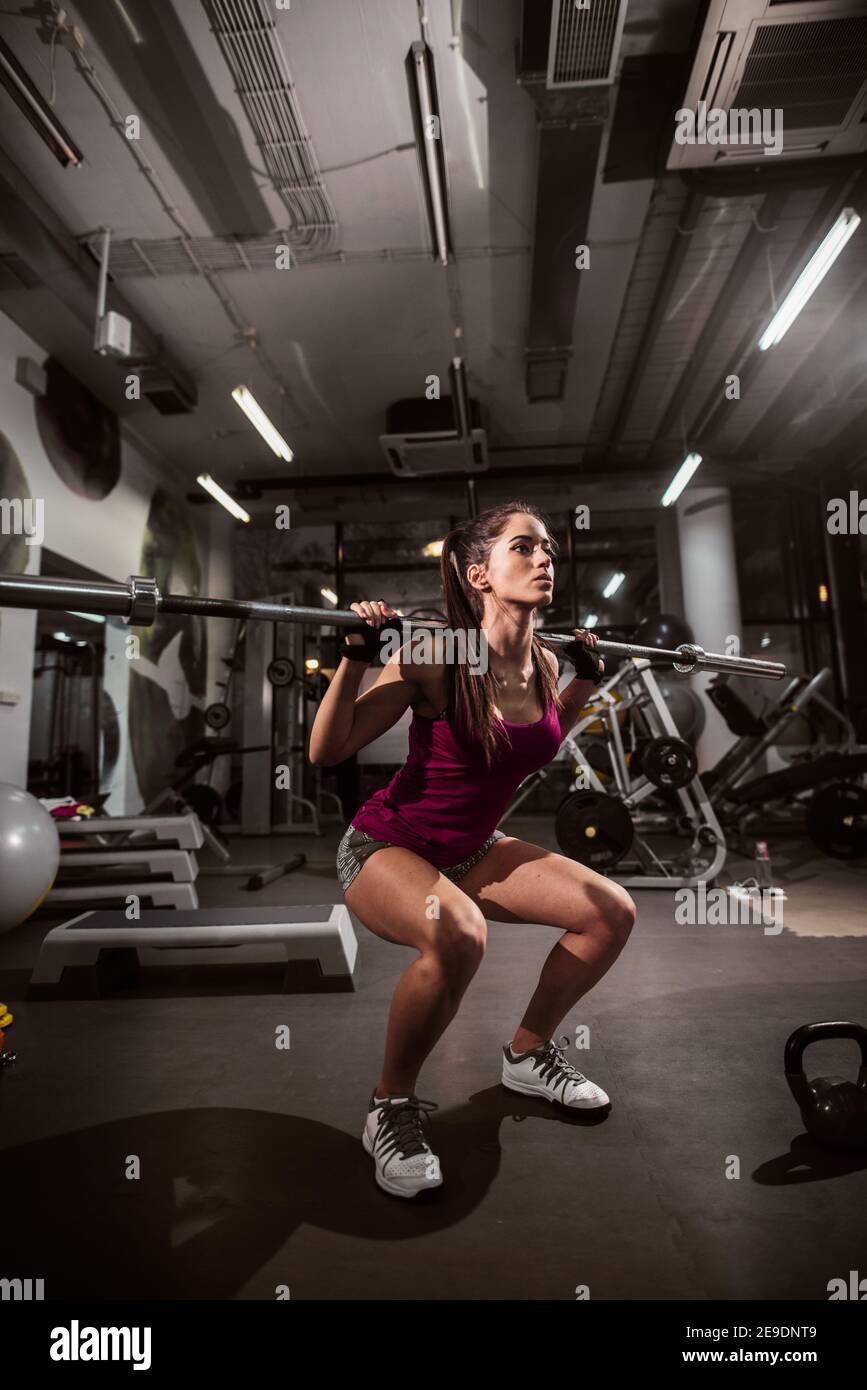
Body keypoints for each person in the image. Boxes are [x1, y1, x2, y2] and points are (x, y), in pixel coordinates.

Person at [309, 501, 636, 1198]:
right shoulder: (439, 651)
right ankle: (389, 1105)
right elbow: (327, 750)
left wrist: (583, 679)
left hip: (470, 848)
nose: (545, 558)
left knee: (610, 911)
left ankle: (526, 1054)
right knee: (459, 932)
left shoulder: (544, 661)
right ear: (478, 573)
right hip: (385, 846)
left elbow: (540, 742)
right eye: (525, 547)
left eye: (548, 548)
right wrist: (355, 663)